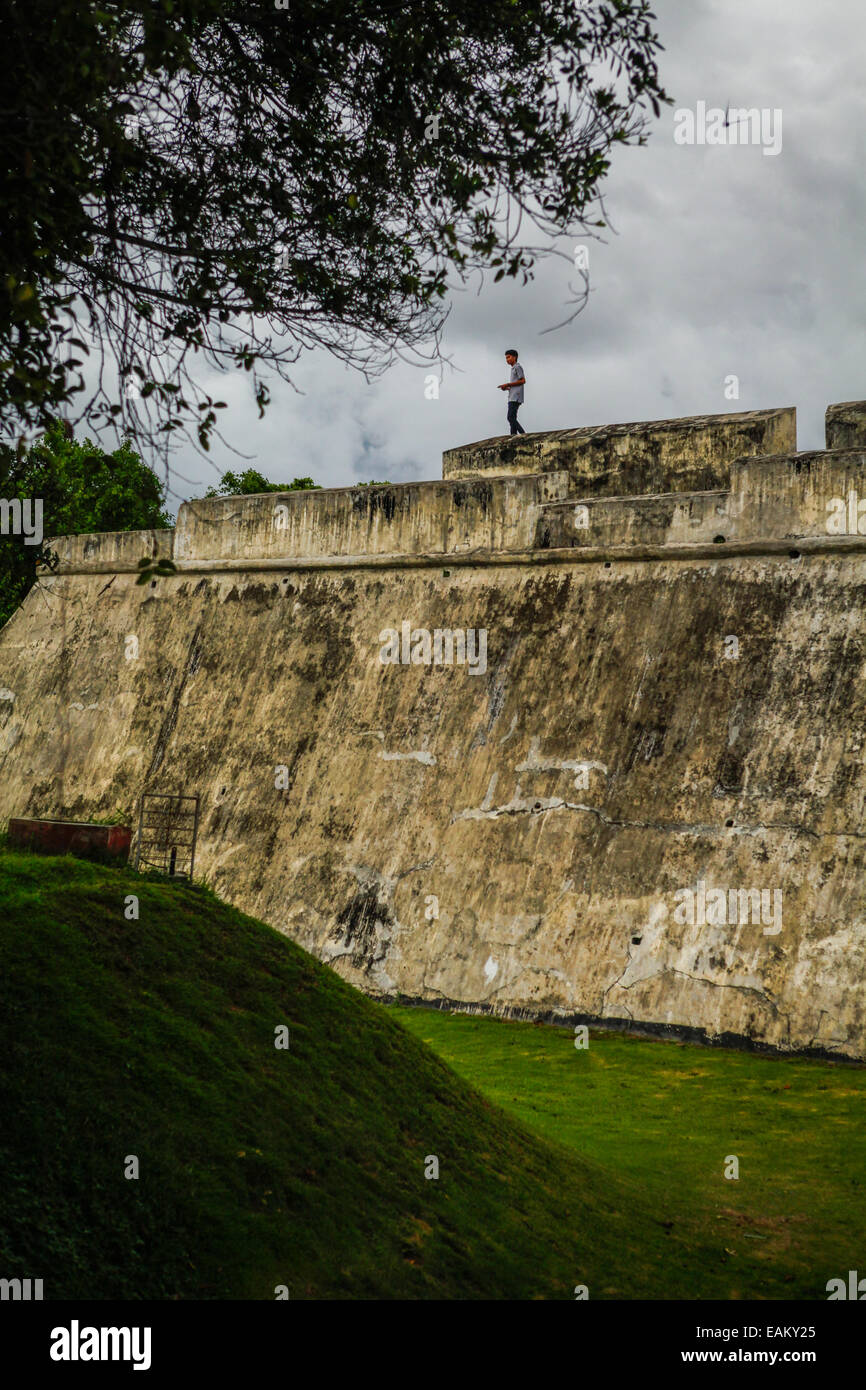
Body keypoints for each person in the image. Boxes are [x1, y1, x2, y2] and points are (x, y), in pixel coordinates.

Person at [498, 349, 526, 435]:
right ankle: (513, 435)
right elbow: (515, 384)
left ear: (515, 357)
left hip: (516, 397)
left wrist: (508, 384)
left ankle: (523, 434)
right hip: (512, 396)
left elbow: (523, 381)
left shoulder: (517, 367)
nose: (507, 359)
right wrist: (506, 387)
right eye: (506, 358)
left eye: (509, 357)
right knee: (512, 418)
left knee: (510, 417)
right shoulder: (513, 368)